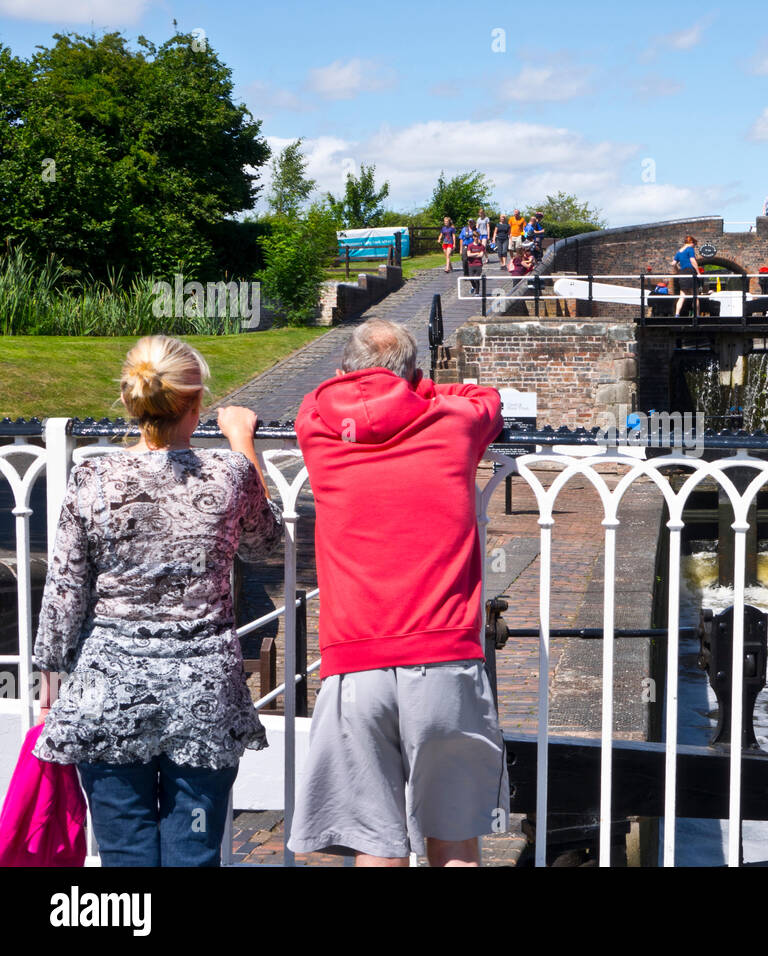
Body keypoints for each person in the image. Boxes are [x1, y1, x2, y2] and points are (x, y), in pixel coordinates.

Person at [32, 335, 283, 867]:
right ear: (196, 405)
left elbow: (64, 591)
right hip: (202, 692)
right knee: (192, 851)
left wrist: (50, 683)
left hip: (109, 690)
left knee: (125, 854)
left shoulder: (93, 477)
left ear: (129, 401)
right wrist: (242, 443)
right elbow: (267, 545)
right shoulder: (228, 474)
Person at [289, 319, 508, 867]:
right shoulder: (453, 422)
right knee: (453, 840)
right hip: (444, 659)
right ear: (413, 374)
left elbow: (321, 397)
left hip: (354, 661)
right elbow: (488, 398)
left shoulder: (315, 427)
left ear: (343, 372)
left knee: (376, 843)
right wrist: (422, 389)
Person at [673, 235, 701, 318]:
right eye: (694, 244)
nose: (694, 246)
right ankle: (698, 315)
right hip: (690, 272)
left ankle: (677, 314)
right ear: (691, 242)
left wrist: (678, 271)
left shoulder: (679, 252)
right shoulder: (689, 249)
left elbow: (673, 263)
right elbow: (692, 260)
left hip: (682, 273)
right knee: (695, 296)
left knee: (682, 296)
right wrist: (698, 272)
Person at [465, 230, 486, 294]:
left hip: (478, 264)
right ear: (473, 237)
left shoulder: (481, 246)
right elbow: (468, 254)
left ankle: (477, 292)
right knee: (471, 278)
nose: (476, 238)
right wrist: (477, 253)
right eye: (475, 236)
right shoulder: (470, 245)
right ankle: (474, 287)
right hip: (471, 264)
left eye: (477, 236)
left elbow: (481, 255)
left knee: (477, 279)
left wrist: (473, 254)